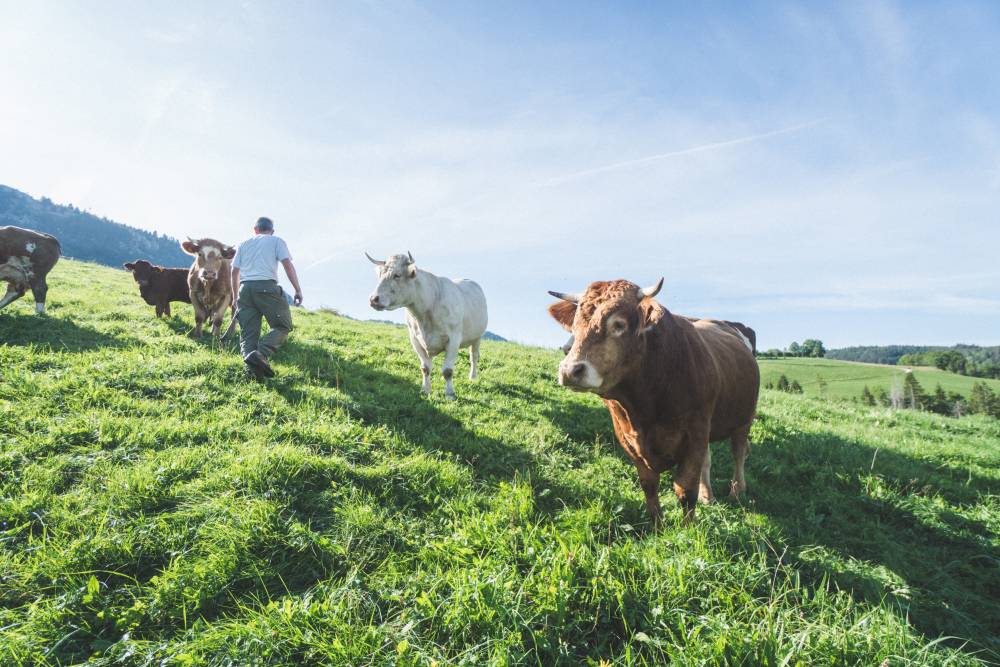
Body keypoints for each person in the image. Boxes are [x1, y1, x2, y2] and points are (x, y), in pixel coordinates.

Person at [230, 217, 302, 378]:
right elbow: (287, 264)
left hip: (244, 290)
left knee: (248, 334)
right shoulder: (276, 241)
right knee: (283, 326)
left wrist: (235, 297)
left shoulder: (243, 244)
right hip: (266, 287)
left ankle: (252, 373)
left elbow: (234, 271)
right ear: (272, 231)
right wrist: (297, 290)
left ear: (255, 230)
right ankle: (261, 354)